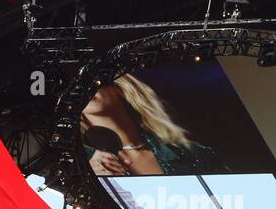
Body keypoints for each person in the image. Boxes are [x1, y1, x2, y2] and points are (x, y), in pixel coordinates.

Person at [81, 73, 224, 177]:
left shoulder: (195, 155)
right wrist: (86, 178)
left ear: (119, 87)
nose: (84, 89)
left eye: (92, 81)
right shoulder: (79, 163)